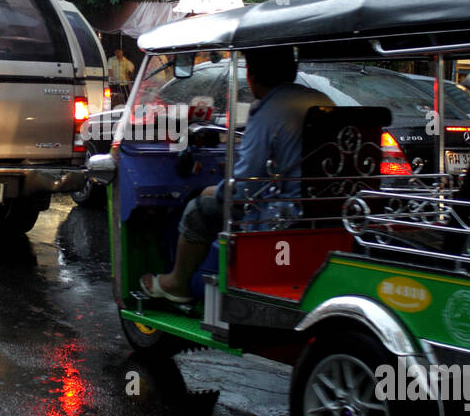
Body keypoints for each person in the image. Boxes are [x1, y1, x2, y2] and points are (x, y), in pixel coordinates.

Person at [139, 46, 333, 303]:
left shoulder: (268, 110)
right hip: (330, 208)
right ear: (293, 70)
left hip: (283, 215)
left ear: (251, 75)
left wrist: (215, 191)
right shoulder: (321, 99)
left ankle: (177, 283)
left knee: (198, 208)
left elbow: (244, 187)